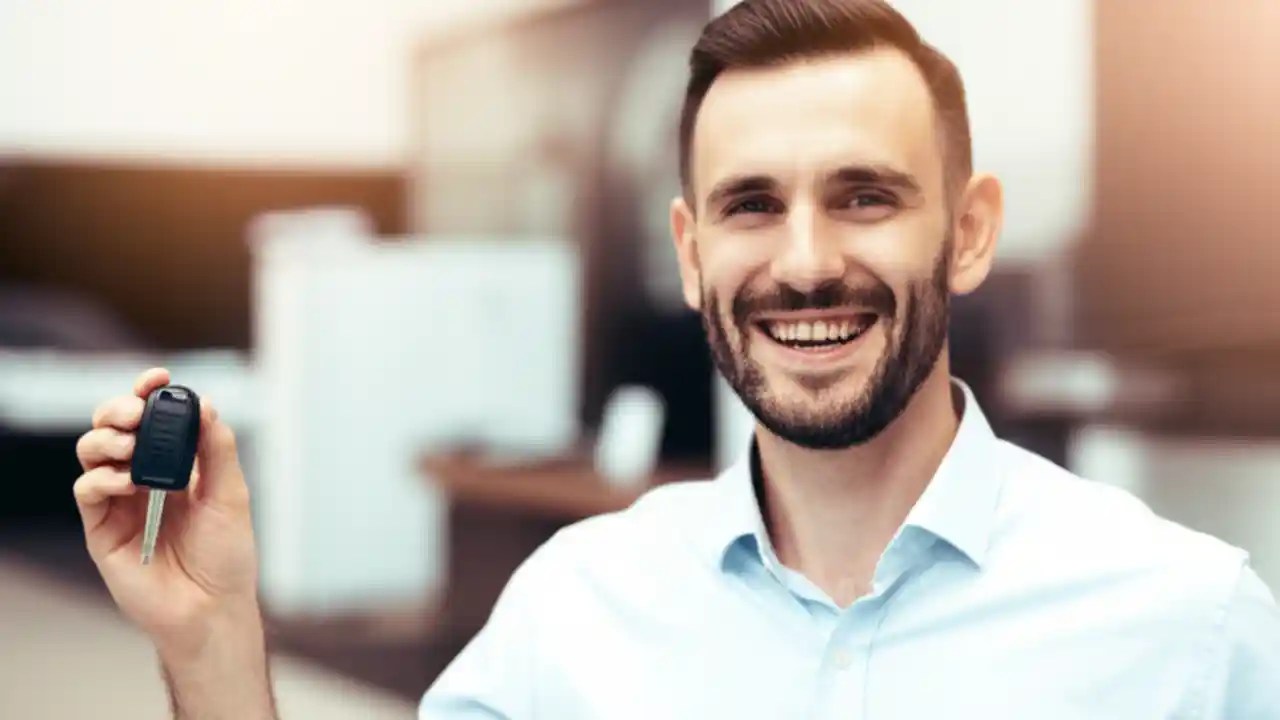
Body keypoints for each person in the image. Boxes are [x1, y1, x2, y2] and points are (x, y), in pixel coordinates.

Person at [73, 1, 1279, 717]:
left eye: (863, 196)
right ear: (691, 253)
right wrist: (212, 643)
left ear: (965, 233)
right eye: (752, 205)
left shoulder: (1190, 625)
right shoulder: (571, 612)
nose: (804, 263)